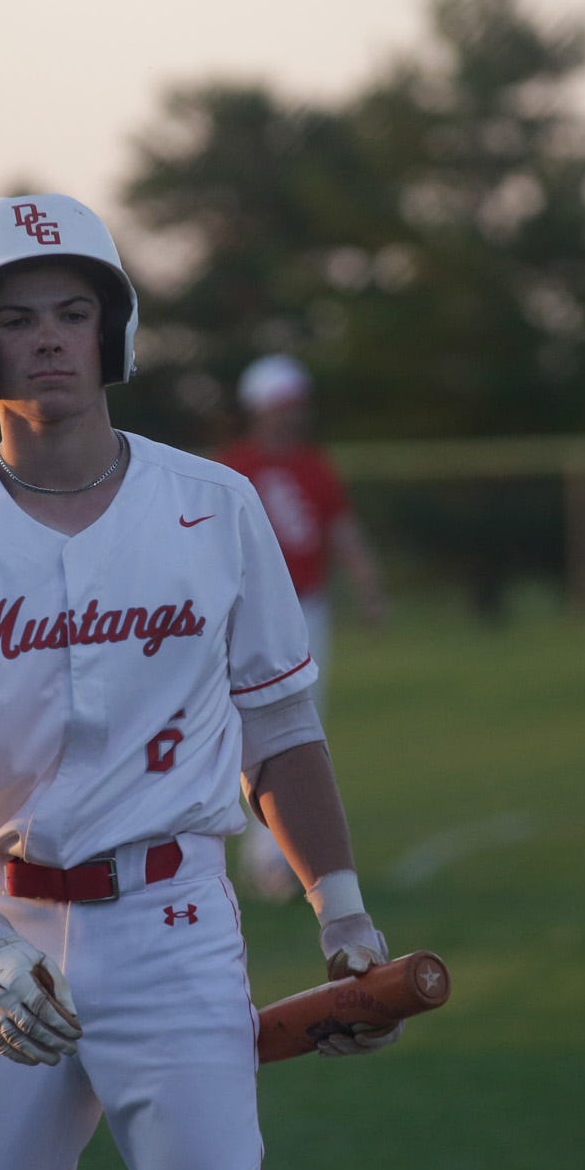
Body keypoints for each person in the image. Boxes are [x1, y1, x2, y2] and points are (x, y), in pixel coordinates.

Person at [0, 193, 399, 1170]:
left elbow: (279, 729)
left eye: (75, 311)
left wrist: (342, 914)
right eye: (18, 317)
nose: (51, 337)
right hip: (14, 934)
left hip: (176, 928)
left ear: (114, 331)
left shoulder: (215, 503)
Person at [219, 353, 388, 900]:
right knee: (241, 730)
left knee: (298, 727)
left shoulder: (314, 465)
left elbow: (341, 529)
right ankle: (261, 855)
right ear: (260, 408)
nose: (293, 414)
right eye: (284, 404)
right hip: (244, 613)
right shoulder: (234, 466)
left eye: (297, 404)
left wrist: (368, 588)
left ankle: (278, 858)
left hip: (306, 610)